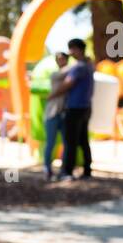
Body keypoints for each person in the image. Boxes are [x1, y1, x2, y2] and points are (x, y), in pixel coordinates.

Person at [49, 38, 94, 180]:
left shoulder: (78, 67)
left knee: (70, 142)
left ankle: (66, 172)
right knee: (83, 140)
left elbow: (68, 84)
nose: (70, 52)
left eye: (72, 49)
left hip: (74, 108)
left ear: (78, 49)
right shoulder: (89, 66)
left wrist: (53, 95)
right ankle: (87, 170)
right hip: (86, 107)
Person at [43, 52, 70, 180]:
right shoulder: (56, 74)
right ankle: (47, 168)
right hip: (52, 113)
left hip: (64, 113)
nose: (60, 61)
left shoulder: (70, 73)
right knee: (50, 143)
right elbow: (66, 72)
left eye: (62, 58)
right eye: (58, 59)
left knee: (66, 143)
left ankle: (63, 170)